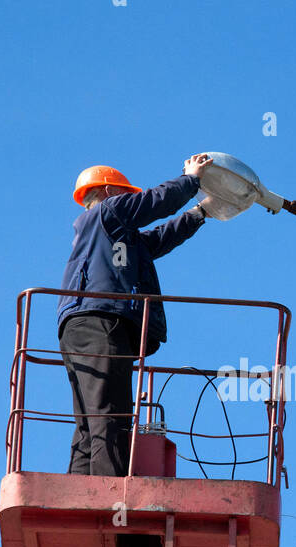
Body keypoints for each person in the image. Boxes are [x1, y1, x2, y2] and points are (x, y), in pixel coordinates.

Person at [57, 154, 212, 476]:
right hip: (101, 321)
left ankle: (81, 487)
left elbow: (157, 240)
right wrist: (191, 178)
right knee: (110, 413)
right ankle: (111, 490)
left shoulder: (112, 234)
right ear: (109, 191)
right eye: (126, 193)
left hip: (88, 323)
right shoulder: (108, 211)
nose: (131, 198)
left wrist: (201, 212)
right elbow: (156, 202)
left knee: (92, 416)